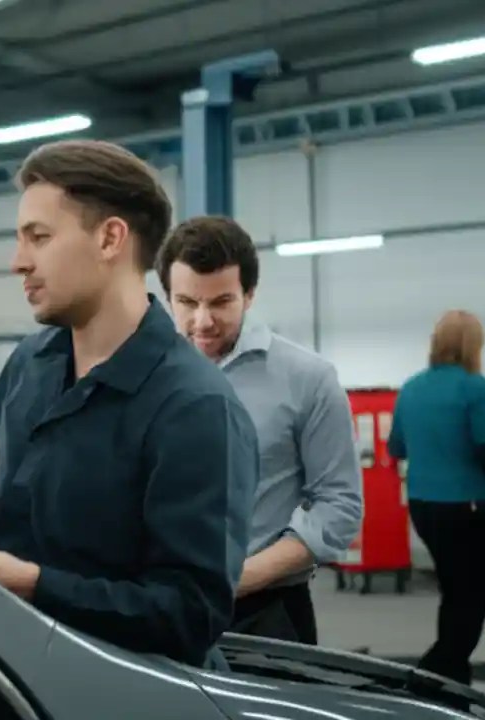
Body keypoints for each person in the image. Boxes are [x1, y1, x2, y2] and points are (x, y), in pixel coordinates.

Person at [0, 140, 259, 668]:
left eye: (40, 237)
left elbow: (189, 612)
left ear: (110, 238)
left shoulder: (195, 408)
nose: (17, 261)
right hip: (12, 677)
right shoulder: (30, 364)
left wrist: (37, 586)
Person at [155, 215, 362, 645]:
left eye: (221, 302)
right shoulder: (146, 375)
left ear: (250, 294)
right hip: (159, 604)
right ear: (167, 296)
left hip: (266, 613)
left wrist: (241, 578)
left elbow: (339, 506)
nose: (203, 320)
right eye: (187, 302)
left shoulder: (308, 378)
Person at [387, 309, 485, 686]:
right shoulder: (475, 388)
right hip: (466, 508)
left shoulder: (411, 387)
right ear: (472, 346)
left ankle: (455, 675)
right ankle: (433, 673)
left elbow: (397, 446)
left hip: (423, 508)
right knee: (472, 600)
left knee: (454, 592)